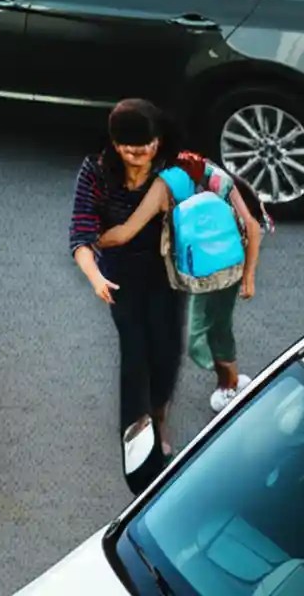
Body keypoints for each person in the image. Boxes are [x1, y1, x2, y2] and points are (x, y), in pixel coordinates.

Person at [97, 149, 264, 413]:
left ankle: (230, 384)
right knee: (213, 328)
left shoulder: (172, 180)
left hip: (220, 267)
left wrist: (85, 243)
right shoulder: (200, 171)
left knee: (203, 335)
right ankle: (229, 379)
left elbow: (127, 231)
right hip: (218, 261)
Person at [70, 99, 185, 481]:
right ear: (113, 143)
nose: (137, 155)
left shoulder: (174, 169)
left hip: (167, 271)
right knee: (134, 354)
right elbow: (81, 235)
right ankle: (137, 435)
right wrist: (96, 279)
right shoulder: (95, 171)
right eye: (127, 147)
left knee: (166, 351)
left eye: (145, 146)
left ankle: (160, 417)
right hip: (119, 275)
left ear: (159, 140)